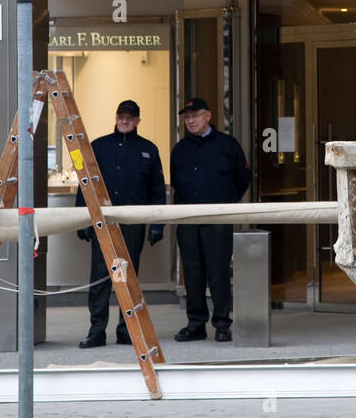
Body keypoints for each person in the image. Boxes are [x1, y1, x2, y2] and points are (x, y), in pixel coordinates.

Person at [74, 99, 166, 348]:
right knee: (100, 279)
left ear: (137, 121)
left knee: (128, 278)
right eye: (121, 116)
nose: (124, 120)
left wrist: (157, 225)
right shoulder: (98, 147)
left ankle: (126, 331)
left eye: (130, 117)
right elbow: (85, 185)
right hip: (103, 223)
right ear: (116, 118)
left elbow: (157, 191)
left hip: (133, 224)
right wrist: (82, 220)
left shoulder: (149, 149)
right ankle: (97, 331)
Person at [170, 97, 250, 342]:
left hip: (218, 219)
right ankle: (196, 323)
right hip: (188, 219)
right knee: (192, 272)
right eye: (187, 117)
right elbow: (176, 182)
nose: (190, 121)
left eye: (195, 116)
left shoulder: (227, 145)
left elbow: (242, 178)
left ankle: (222, 324)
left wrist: (225, 202)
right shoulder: (180, 149)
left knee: (218, 272)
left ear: (209, 116)